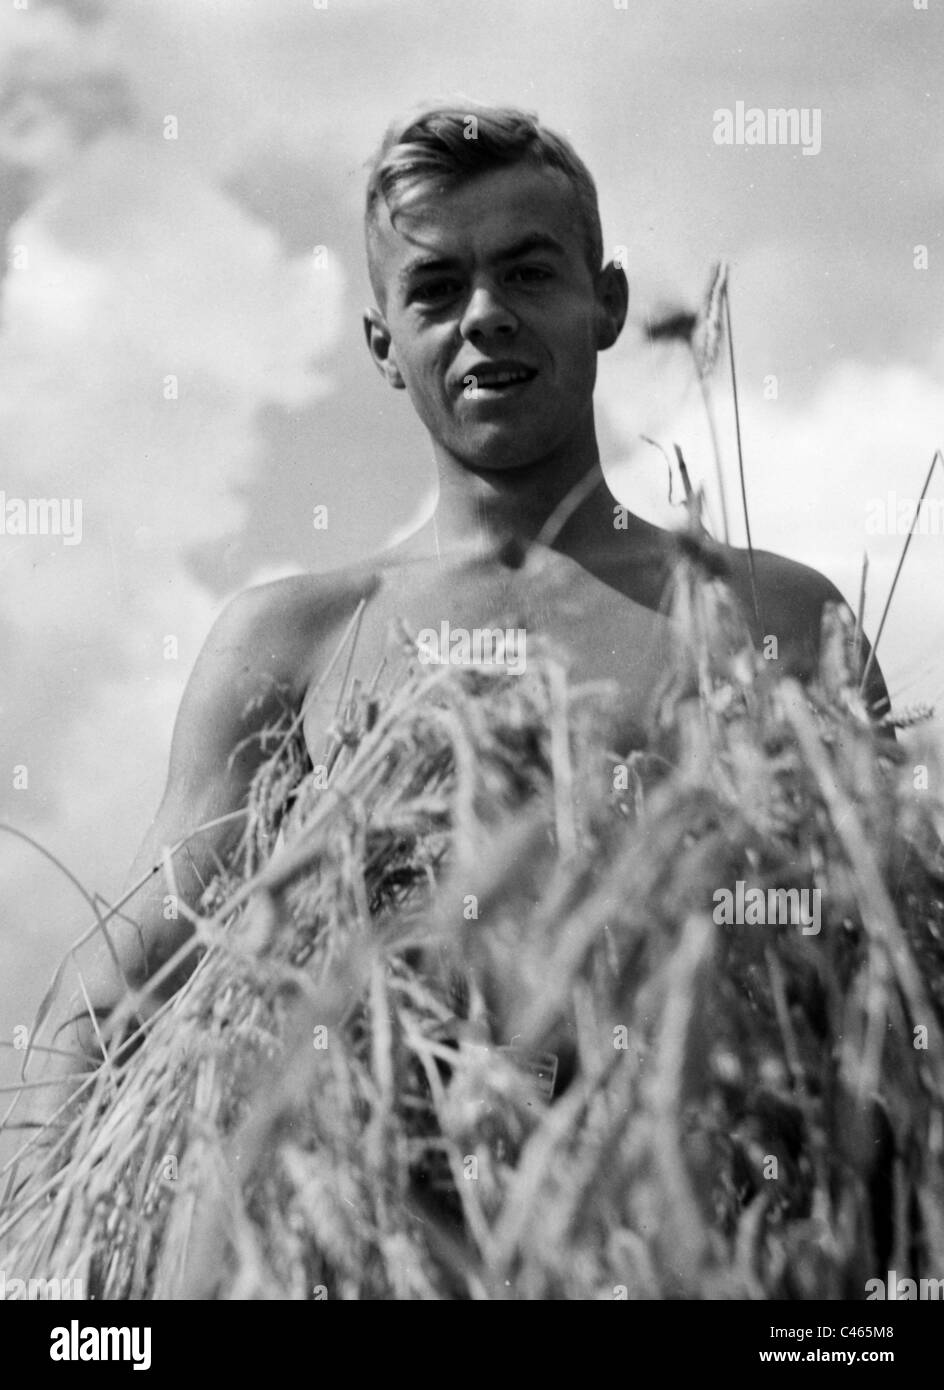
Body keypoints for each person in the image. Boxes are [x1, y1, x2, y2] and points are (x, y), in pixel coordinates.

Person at [30, 103, 891, 1106]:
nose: (483, 313)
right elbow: (105, 1002)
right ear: (383, 344)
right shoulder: (296, 643)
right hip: (395, 1248)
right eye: (435, 289)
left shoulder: (772, 614)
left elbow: (889, 950)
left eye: (527, 271)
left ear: (605, 304)